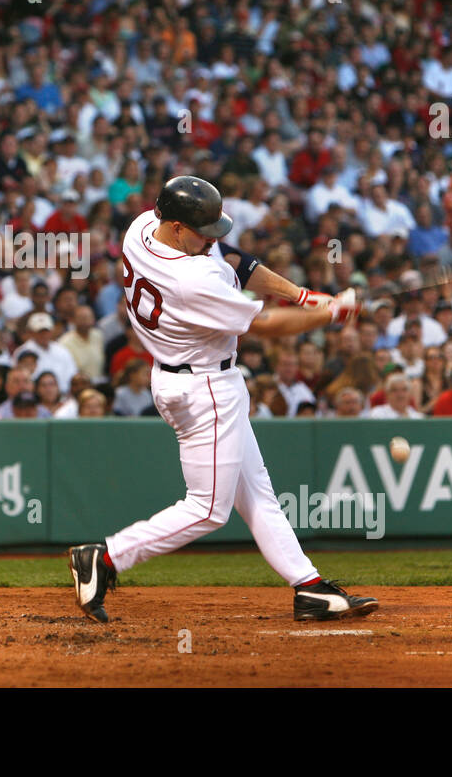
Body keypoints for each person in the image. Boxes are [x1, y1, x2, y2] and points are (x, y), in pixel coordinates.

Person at [67, 176, 376, 623]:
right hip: (204, 388)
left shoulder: (140, 229)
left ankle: (308, 588)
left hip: (181, 376)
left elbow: (236, 259)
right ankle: (106, 557)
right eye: (202, 230)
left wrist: (303, 295)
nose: (213, 237)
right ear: (175, 226)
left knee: (257, 493)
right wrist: (329, 314)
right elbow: (265, 324)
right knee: (208, 509)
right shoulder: (193, 279)